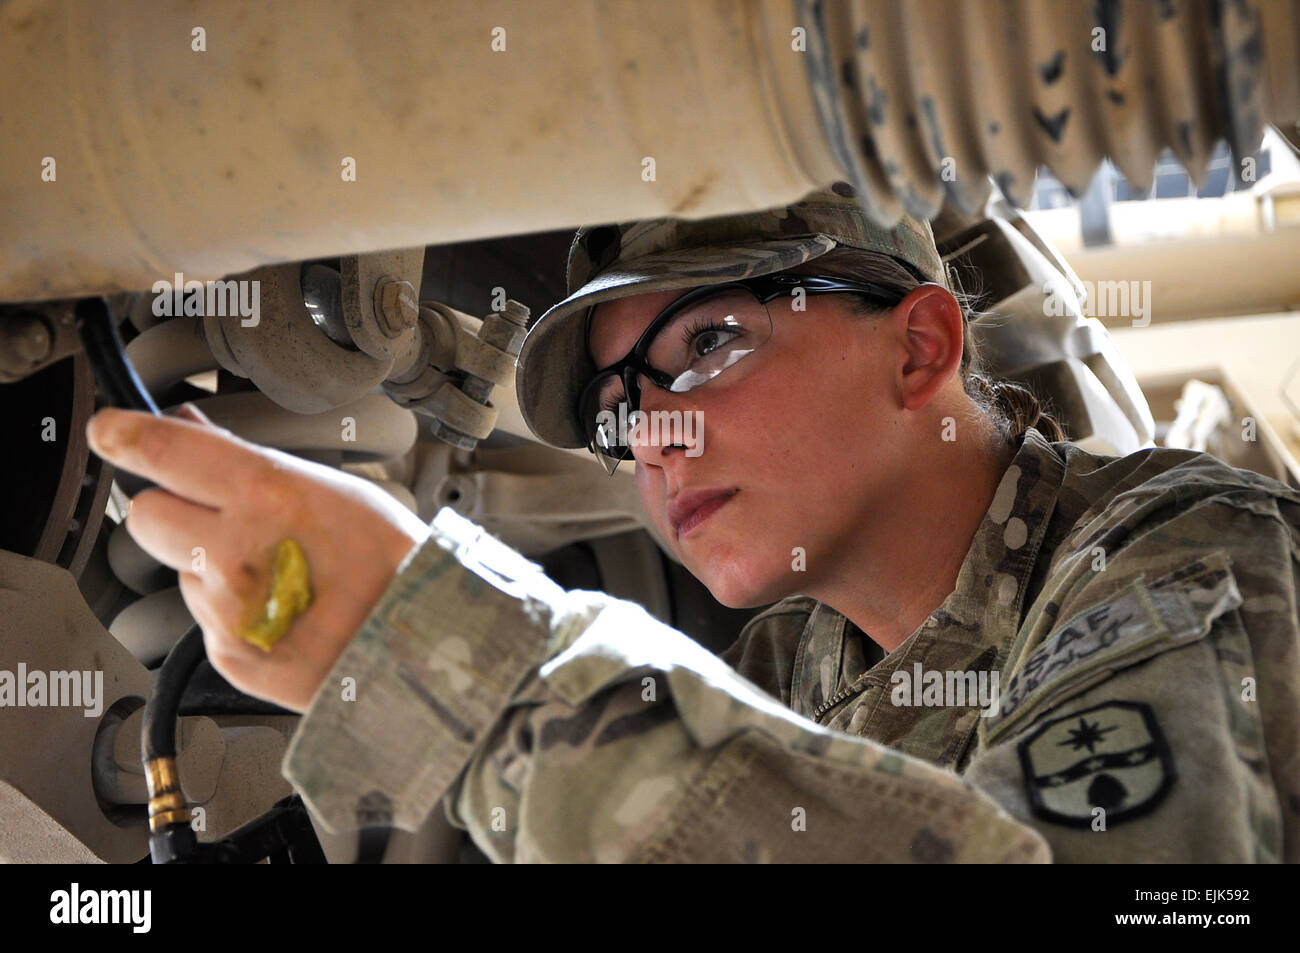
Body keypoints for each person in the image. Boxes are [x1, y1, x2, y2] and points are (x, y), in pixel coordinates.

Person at [86, 182, 1300, 863]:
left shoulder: (1180, 553)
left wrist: (468, 673)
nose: (650, 440)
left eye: (707, 344)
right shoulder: (794, 662)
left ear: (921, 345)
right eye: (618, 411)